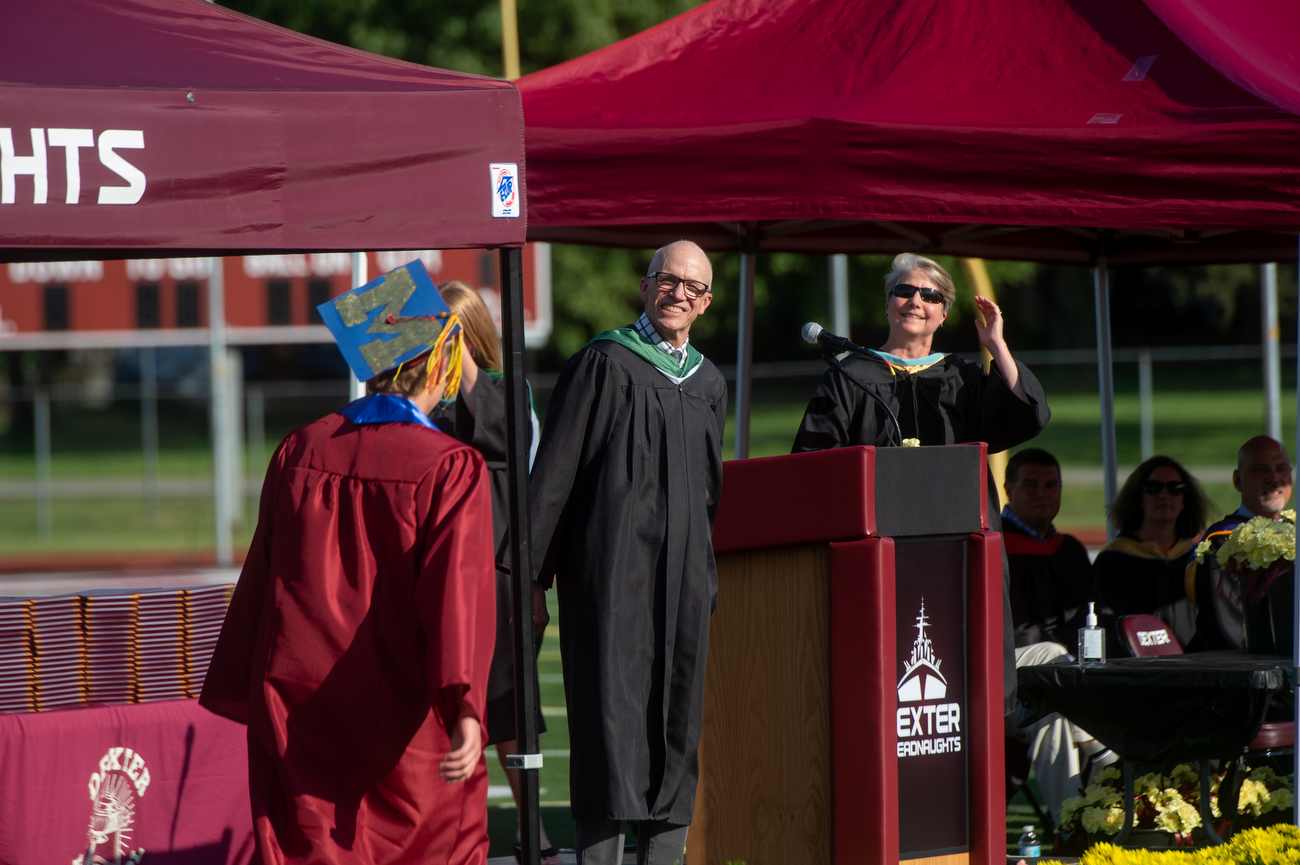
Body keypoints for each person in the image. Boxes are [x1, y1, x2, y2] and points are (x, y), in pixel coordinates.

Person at [200, 262, 497, 865]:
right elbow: (455, 601)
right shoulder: (449, 467)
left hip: (299, 708)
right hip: (402, 722)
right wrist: (462, 704)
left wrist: (248, 689)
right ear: (437, 366)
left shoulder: (300, 449)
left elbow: (262, 577)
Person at [528, 240, 727, 865]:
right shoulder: (605, 362)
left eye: (693, 287)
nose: (679, 293)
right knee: (611, 720)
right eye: (668, 280)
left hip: (686, 579)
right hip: (611, 575)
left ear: (706, 303)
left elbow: (712, 494)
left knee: (677, 721)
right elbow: (554, 476)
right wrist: (531, 580)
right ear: (645, 286)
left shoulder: (708, 382)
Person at [792, 252, 1051, 722]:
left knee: (965, 654)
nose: (915, 301)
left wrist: (997, 343)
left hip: (959, 549)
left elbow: (1027, 414)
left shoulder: (963, 377)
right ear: (888, 302)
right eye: (904, 291)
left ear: (944, 312)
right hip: (877, 551)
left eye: (929, 295)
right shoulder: (850, 376)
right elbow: (814, 464)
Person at [427, 281, 559, 865]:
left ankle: (533, 831)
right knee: (447, 704)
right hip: (441, 572)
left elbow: (525, 463)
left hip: (502, 569)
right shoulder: (424, 400)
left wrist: (536, 579)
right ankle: (456, 834)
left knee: (508, 705)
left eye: (447, 334)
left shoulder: (508, 391)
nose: (437, 348)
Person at [1002, 447, 1114, 824]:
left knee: (1052, 718)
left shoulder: (1069, 550)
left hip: (1053, 687)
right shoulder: (992, 547)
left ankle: (1077, 825)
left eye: (1051, 485)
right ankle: (1100, 746)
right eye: (1030, 485)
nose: (1041, 493)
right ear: (1008, 488)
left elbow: (1090, 620)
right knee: (1050, 651)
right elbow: (1011, 633)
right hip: (1006, 680)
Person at [1186, 436, 1294, 650]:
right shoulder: (1222, 543)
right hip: (1247, 672)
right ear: (1238, 480)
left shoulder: (1294, 534)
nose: (1274, 478)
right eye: (1260, 469)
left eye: (1281, 469)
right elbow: (1231, 629)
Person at [1093, 455, 1212, 649]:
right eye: (1153, 488)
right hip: (1137, 670)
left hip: (1196, 666)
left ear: (1184, 501)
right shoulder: (1114, 560)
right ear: (1138, 498)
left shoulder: (1197, 558)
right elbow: (1108, 628)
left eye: (1175, 489)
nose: (1164, 495)